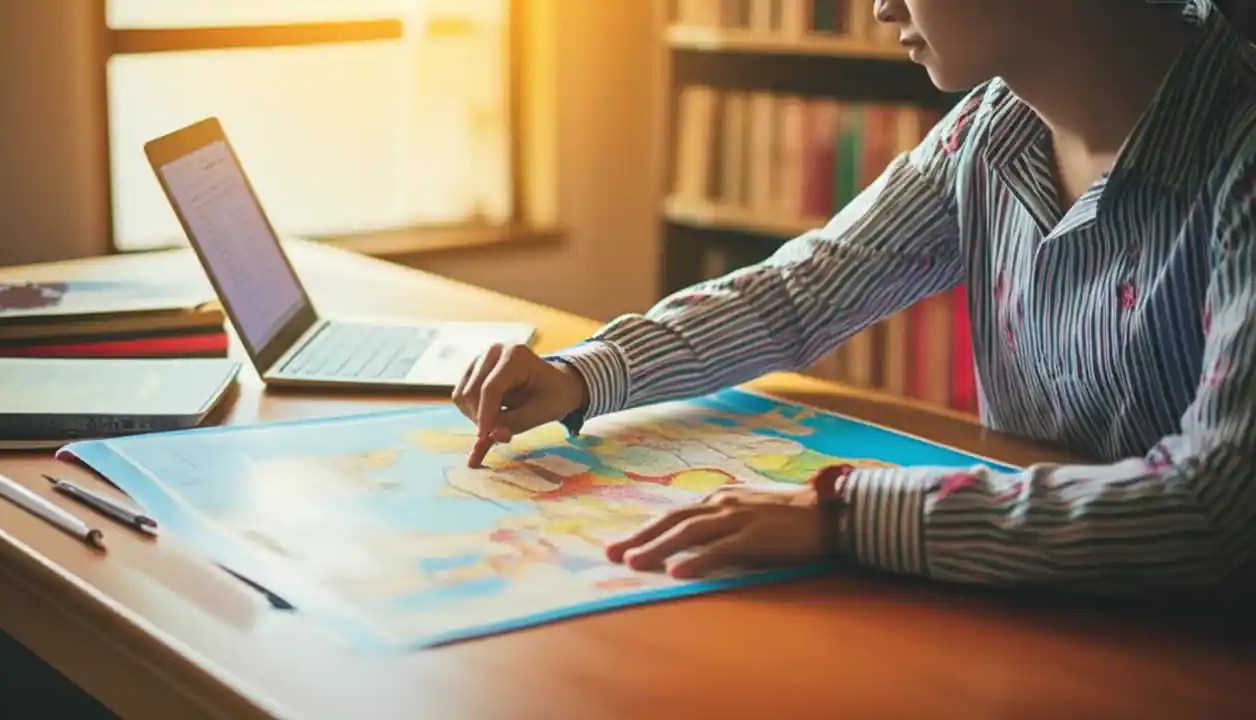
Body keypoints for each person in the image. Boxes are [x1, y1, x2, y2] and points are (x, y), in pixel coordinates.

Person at [452, 0, 1256, 591]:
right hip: (1029, 600)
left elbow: (1221, 508)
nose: (878, 7)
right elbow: (802, 293)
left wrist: (847, 515)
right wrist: (587, 372)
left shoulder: (1239, 153)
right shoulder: (987, 130)